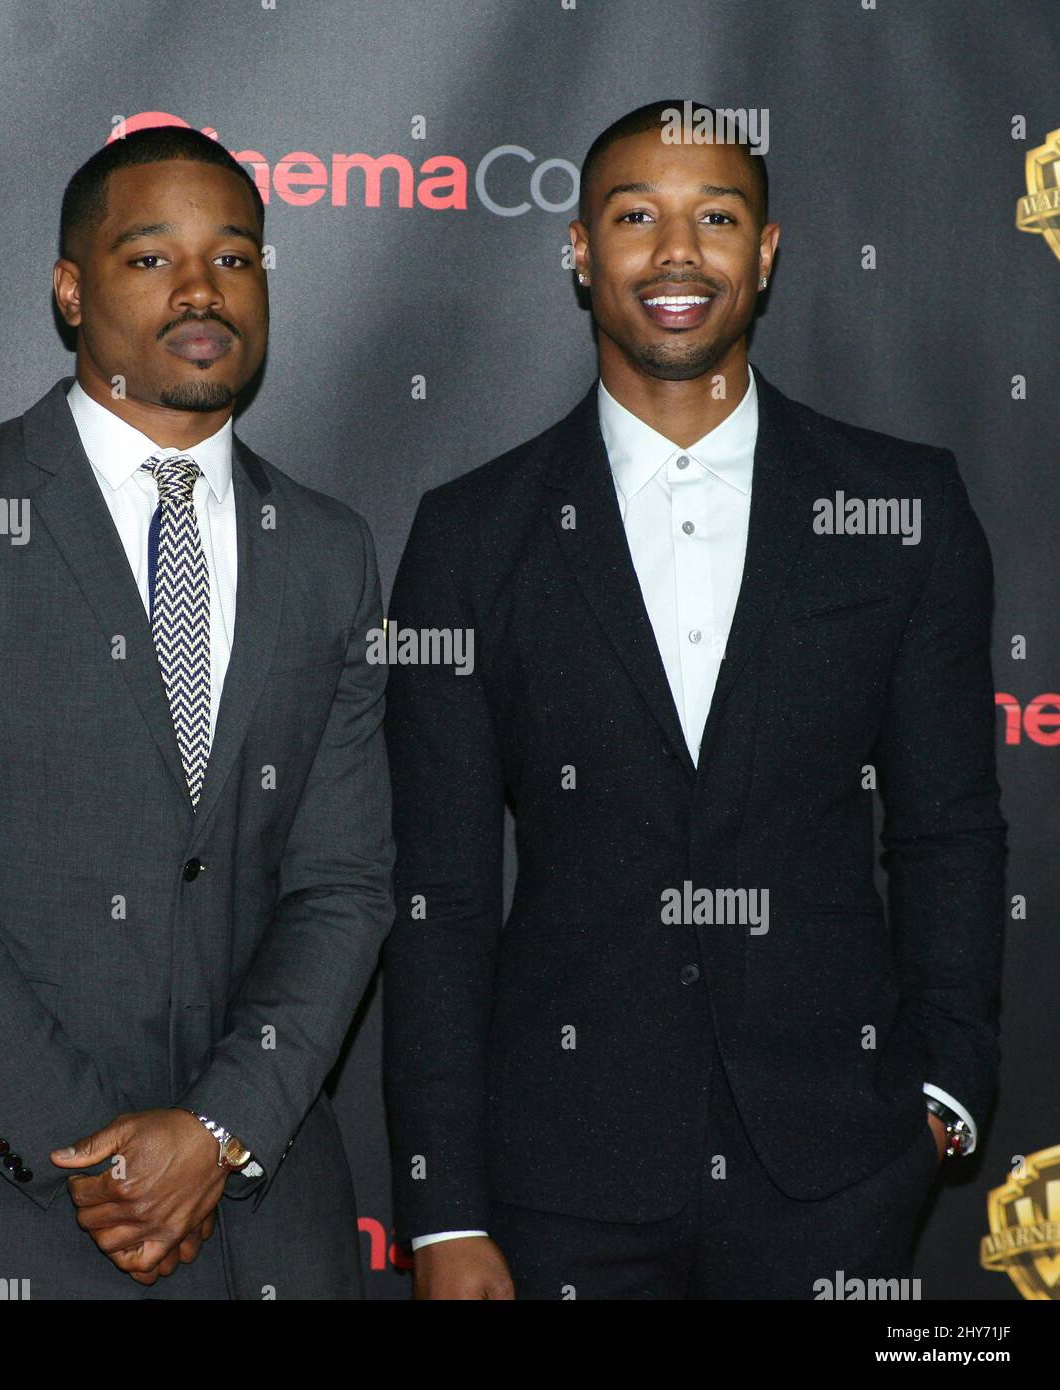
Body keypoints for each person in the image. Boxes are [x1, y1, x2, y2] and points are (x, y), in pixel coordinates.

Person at [383, 99, 1006, 1299]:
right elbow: (440, 899)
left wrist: (944, 1091)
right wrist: (440, 1209)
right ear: (577, 250)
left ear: (764, 253)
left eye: (714, 217)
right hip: (556, 1180)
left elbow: (948, 830)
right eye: (634, 217)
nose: (677, 252)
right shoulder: (470, 537)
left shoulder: (900, 509)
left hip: (839, 1168)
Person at [0, 125, 393, 1300]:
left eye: (235, 258)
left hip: (255, 1219)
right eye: (148, 257)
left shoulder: (328, 551)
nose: (200, 289)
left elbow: (344, 885)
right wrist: (110, 1158)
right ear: (71, 291)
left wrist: (215, 1133)